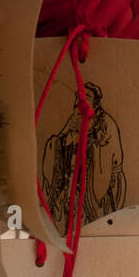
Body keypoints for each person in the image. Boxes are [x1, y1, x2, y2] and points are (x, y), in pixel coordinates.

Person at [40, 83, 125, 230]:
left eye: (87, 97)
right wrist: (59, 143)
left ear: (96, 102)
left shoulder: (106, 123)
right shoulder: (75, 117)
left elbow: (112, 157)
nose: (81, 100)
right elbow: (60, 140)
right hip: (71, 183)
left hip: (92, 186)